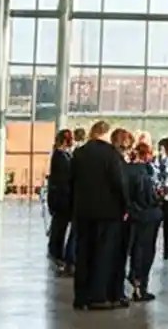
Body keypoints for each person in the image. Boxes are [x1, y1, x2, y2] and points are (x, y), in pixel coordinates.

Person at [70, 121, 130, 311]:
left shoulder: (78, 154)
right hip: (108, 212)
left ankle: (81, 297)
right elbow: (119, 182)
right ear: (106, 133)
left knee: (83, 253)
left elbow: (70, 182)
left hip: (83, 211)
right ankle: (98, 296)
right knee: (103, 254)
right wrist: (125, 206)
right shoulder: (111, 154)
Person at [125, 142, 162, 302]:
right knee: (146, 251)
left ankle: (134, 279)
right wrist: (159, 199)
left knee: (135, 249)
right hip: (147, 216)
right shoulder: (144, 173)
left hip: (133, 216)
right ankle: (141, 284)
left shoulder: (126, 170)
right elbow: (147, 197)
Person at [47, 129, 76, 276]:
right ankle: (57, 252)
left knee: (59, 224)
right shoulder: (61, 156)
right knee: (60, 225)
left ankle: (56, 251)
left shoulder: (60, 155)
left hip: (59, 196)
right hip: (62, 197)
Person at [153, 138, 168, 261]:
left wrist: (162, 190)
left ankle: (167, 248)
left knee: (166, 223)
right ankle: (167, 248)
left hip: (165, 195)